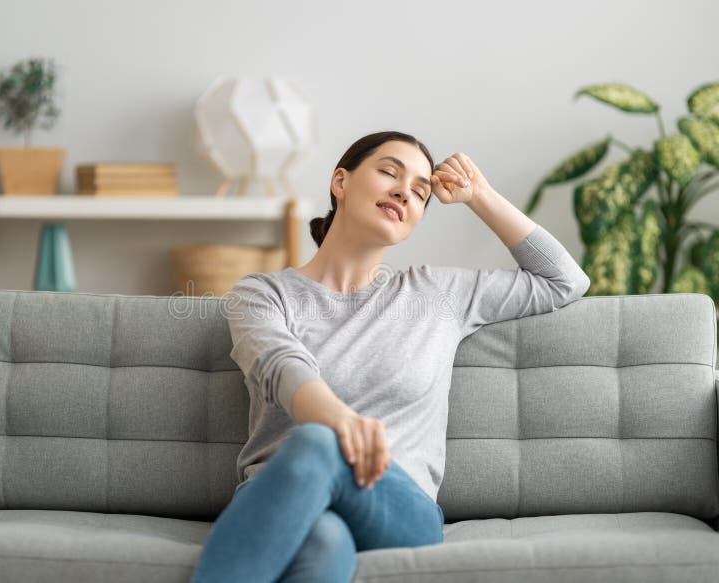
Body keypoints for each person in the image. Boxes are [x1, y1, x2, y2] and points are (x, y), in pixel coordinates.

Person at [191, 130, 591, 582]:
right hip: (277, 493)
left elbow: (564, 281)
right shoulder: (262, 294)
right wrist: (341, 422)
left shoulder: (439, 294)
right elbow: (280, 365)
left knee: (318, 443)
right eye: (388, 172)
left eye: (421, 192)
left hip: (397, 507)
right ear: (340, 182)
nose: (405, 190)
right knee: (324, 540)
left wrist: (480, 195)